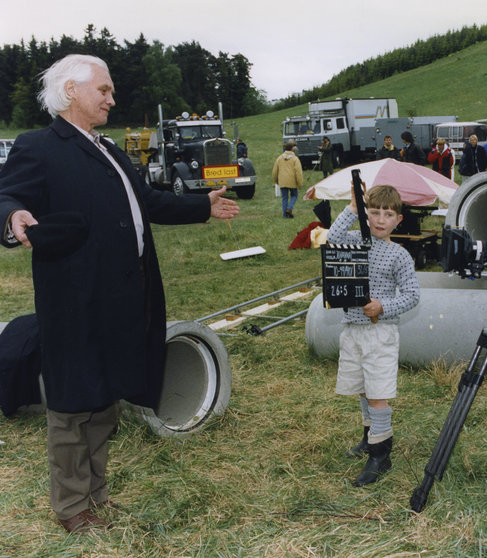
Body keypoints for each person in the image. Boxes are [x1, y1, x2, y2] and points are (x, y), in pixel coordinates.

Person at [0, 54, 240, 534]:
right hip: (74, 302)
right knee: (72, 404)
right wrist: (12, 218)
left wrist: (201, 206)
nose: (113, 98)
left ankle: (96, 496)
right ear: (71, 91)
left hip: (125, 300)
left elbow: (145, 203)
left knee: (106, 397)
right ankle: (72, 508)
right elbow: (7, 196)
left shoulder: (109, 148)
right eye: (104, 90)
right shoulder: (39, 146)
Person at [326, 183, 420, 486]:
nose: (380, 219)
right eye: (374, 212)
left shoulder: (399, 254)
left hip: (380, 333)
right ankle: (369, 436)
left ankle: (381, 454)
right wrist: (352, 208)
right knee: (364, 389)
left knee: (378, 394)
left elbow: (412, 295)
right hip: (351, 329)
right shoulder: (354, 240)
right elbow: (331, 239)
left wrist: (383, 305)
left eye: (388, 214)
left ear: (398, 219)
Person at [272, 140, 303, 218]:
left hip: (282, 181)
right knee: (294, 195)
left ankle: (285, 215)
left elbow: (275, 171)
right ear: (292, 149)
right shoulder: (295, 159)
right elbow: (298, 172)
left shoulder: (279, 158)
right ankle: (289, 208)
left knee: (284, 198)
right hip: (292, 181)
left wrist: (276, 181)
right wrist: (300, 183)